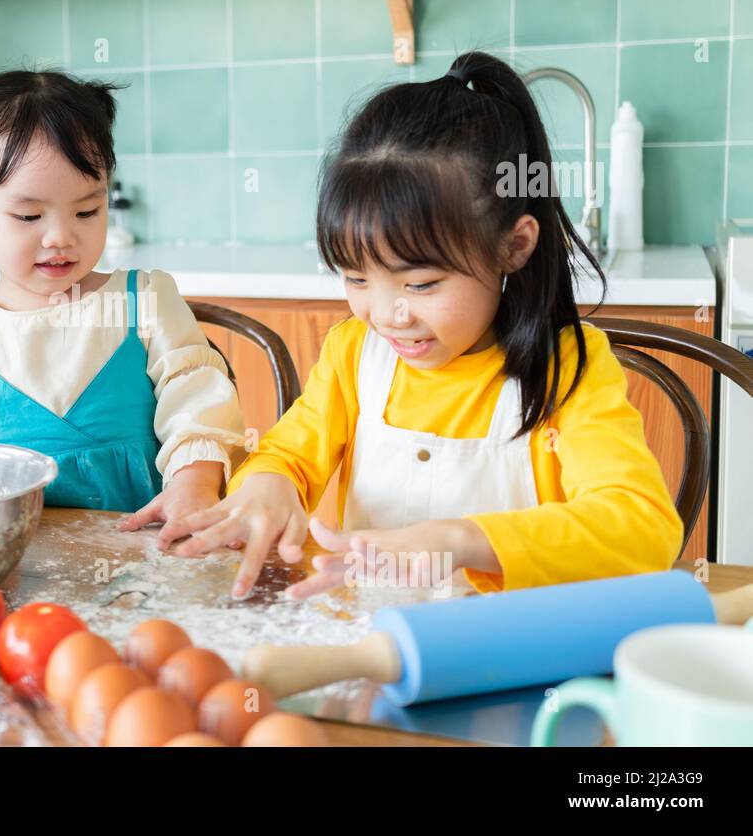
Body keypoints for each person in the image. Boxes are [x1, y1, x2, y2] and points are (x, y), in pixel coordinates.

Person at [164, 51, 682, 599]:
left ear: (515, 245)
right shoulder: (353, 353)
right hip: (373, 646)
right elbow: (288, 455)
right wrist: (267, 486)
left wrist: (460, 539)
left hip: (510, 660)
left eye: (421, 285)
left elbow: (641, 528)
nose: (388, 315)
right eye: (357, 278)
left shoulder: (566, 369)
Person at [0, 70, 245, 521]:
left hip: (145, 548)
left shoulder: (146, 299)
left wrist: (194, 484)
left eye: (86, 210)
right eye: (28, 216)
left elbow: (196, 397)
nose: (60, 236)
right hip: (17, 561)